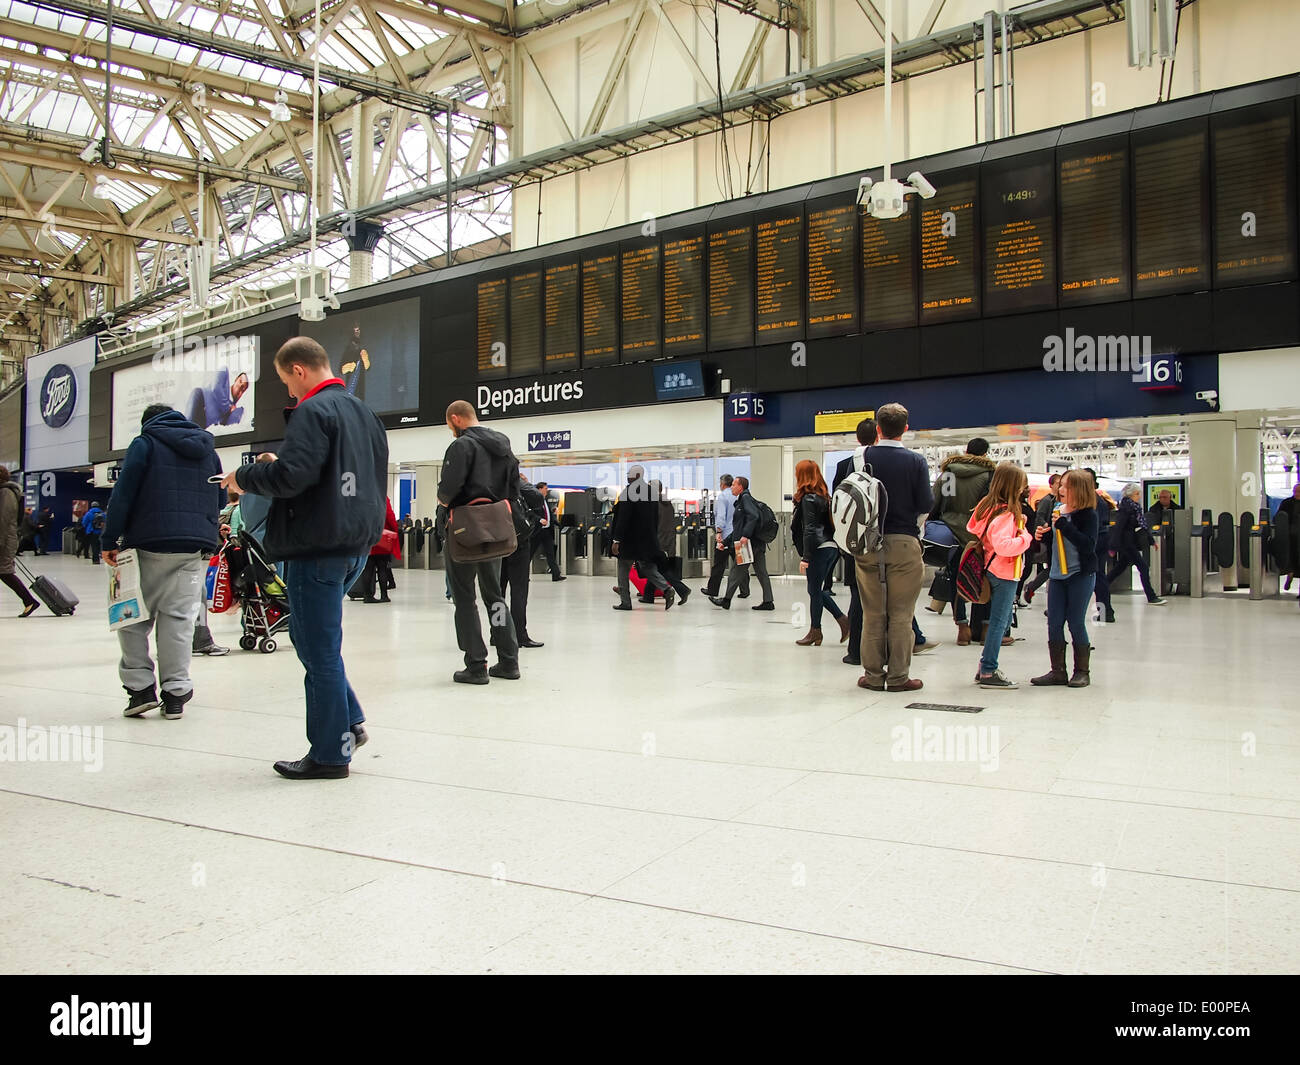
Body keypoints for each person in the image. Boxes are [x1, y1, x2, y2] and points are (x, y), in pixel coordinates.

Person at [223, 337, 388, 779]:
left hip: (316, 547)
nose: (289, 394)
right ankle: (348, 721)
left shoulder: (313, 411)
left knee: (317, 650)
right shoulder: (364, 413)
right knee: (315, 642)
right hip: (354, 544)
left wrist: (244, 477)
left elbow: (293, 477)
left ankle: (332, 754)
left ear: (298, 370)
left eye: (285, 383)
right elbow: (337, 476)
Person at [102, 404, 223, 719]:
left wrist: (108, 540)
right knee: (180, 620)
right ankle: (175, 693)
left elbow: (123, 495)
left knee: (132, 618)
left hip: (146, 548)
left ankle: (141, 689)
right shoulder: (208, 450)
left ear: (147, 423)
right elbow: (220, 498)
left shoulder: (145, 443)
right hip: (193, 553)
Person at [437, 399, 521, 682]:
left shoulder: (461, 446)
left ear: (456, 418)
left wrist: (443, 501)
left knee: (465, 598)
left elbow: (448, 490)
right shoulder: (503, 444)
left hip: (464, 530)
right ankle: (509, 661)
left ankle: (476, 664)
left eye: (449, 424)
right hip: (495, 528)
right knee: (495, 596)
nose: (450, 429)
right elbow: (513, 488)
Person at [854, 402, 932, 693]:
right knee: (901, 614)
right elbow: (925, 504)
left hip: (867, 543)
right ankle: (899, 678)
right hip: (904, 542)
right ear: (906, 429)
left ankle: (873, 676)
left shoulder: (860, 457)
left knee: (873, 612)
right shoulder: (916, 462)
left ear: (877, 428)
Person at [967, 463, 1035, 689]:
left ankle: (985, 667)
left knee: (998, 621)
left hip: (989, 567)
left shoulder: (986, 507)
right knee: (999, 623)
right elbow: (1005, 546)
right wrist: (1025, 537)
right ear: (1014, 486)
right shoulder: (1006, 515)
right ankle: (988, 670)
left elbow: (973, 528)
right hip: (1005, 571)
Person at [1031, 469, 1098, 688]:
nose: (1061, 489)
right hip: (1057, 574)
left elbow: (1088, 545)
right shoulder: (1058, 509)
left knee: (1076, 622)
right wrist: (1044, 534)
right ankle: (1057, 670)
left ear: (1079, 489)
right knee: (1054, 622)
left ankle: (1082, 671)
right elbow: (1056, 539)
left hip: (1080, 574)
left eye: (1066, 485)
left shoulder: (1089, 515)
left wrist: (1064, 527)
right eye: (1061, 485)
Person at [932, 438, 996, 646]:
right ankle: (985, 628)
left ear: (966, 451)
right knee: (983, 580)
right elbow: (990, 506)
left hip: (952, 535)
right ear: (985, 454)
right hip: (979, 536)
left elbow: (939, 504)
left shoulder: (950, 474)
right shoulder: (989, 476)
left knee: (955, 580)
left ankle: (962, 628)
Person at [612, 467, 690, 610]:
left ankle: (626, 602)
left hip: (630, 540)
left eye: (629, 475)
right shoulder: (651, 492)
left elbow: (623, 518)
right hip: (647, 539)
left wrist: (617, 539)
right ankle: (666, 589)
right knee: (647, 567)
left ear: (636, 476)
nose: (627, 477)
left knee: (623, 567)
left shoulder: (628, 492)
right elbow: (655, 518)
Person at [833, 418, 877, 664]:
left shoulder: (842, 467)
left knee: (856, 595)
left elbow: (836, 508)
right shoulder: (884, 464)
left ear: (857, 438)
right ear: (878, 436)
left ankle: (855, 650)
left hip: (852, 542)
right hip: (879, 540)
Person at [792, 459, 848, 646]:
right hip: (831, 547)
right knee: (815, 590)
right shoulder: (824, 497)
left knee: (814, 590)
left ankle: (829, 626)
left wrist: (806, 557)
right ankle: (822, 629)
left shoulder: (808, 499)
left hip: (818, 549)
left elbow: (810, 529)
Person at [709, 476, 775, 610]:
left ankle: (726, 600)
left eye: (734, 485)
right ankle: (768, 601)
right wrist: (726, 542)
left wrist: (745, 535)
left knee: (735, 571)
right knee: (762, 572)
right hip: (757, 543)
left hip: (746, 544)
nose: (731, 487)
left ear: (741, 487)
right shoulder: (743, 500)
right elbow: (738, 528)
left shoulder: (745, 499)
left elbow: (753, 517)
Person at [499, 474, 547, 646]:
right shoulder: (513, 479)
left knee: (497, 592)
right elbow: (537, 497)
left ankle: (497, 632)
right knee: (519, 591)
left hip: (496, 542)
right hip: (518, 542)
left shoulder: (486, 478)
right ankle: (519, 634)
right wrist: (524, 483)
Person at [1107, 483, 1167, 606]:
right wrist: (1112, 546)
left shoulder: (1135, 507)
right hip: (1127, 544)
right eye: (1137, 494)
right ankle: (1151, 597)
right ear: (1131, 495)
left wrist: (1152, 541)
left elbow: (1142, 526)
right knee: (1143, 567)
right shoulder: (1126, 508)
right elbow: (1119, 527)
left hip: (1131, 542)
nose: (1139, 496)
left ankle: (1101, 586)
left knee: (1120, 567)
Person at [0, 466, 41, 617]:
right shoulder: (4, 492)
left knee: (5, 573)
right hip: (5, 538)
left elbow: (4, 520)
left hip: (5, 540)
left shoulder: (6, 493)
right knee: (5, 573)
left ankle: (29, 601)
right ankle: (29, 601)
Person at [1022, 474, 1061, 606]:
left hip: (1054, 538)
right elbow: (1040, 518)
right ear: (1051, 485)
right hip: (1050, 539)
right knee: (1053, 568)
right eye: (1058, 483)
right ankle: (1032, 587)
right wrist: (1047, 527)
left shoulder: (1058, 501)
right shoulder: (1047, 501)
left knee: (1053, 568)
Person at [1086, 468, 1116, 623]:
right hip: (1101, 540)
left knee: (1097, 578)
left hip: (1097, 542)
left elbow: (1093, 526)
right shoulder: (1099, 500)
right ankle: (1106, 612)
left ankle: (1105, 612)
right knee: (1098, 577)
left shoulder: (1094, 502)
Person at [702, 474, 738, 599]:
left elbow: (721, 516)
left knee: (719, 563)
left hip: (725, 535)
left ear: (722, 484)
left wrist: (718, 531)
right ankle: (745, 590)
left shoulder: (723, 496)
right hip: (737, 534)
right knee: (740, 562)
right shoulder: (737, 496)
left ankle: (712, 590)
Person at [358, 498, 401, 603]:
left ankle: (367, 596)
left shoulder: (364, 497)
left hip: (367, 538)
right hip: (382, 537)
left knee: (368, 568)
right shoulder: (383, 498)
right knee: (382, 567)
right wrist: (395, 530)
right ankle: (384, 595)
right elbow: (390, 516)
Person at [185, 367, 249, 429]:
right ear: (235, 380)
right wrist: (228, 409)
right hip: (200, 400)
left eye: (243, 389)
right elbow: (216, 388)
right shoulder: (225, 372)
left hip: (205, 426)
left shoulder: (234, 410)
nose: (240, 387)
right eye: (240, 381)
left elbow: (225, 427)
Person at [529, 481, 564, 581]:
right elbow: (530, 513)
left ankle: (556, 574)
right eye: (545, 489)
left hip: (547, 531)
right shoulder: (534, 500)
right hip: (537, 531)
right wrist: (539, 520)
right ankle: (522, 575)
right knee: (530, 553)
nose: (547, 491)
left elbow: (549, 515)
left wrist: (559, 524)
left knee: (550, 553)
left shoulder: (545, 500)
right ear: (539, 489)